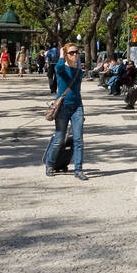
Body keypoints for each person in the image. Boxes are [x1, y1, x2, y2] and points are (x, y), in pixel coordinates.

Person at [44, 43, 87, 180]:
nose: (75, 55)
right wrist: (62, 55)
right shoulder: (62, 69)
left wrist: (81, 109)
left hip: (77, 107)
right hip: (62, 108)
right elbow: (58, 67)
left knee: (78, 139)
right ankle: (50, 164)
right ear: (66, 55)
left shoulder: (79, 71)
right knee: (59, 138)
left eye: (76, 52)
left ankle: (78, 170)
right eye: (72, 53)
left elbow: (77, 91)